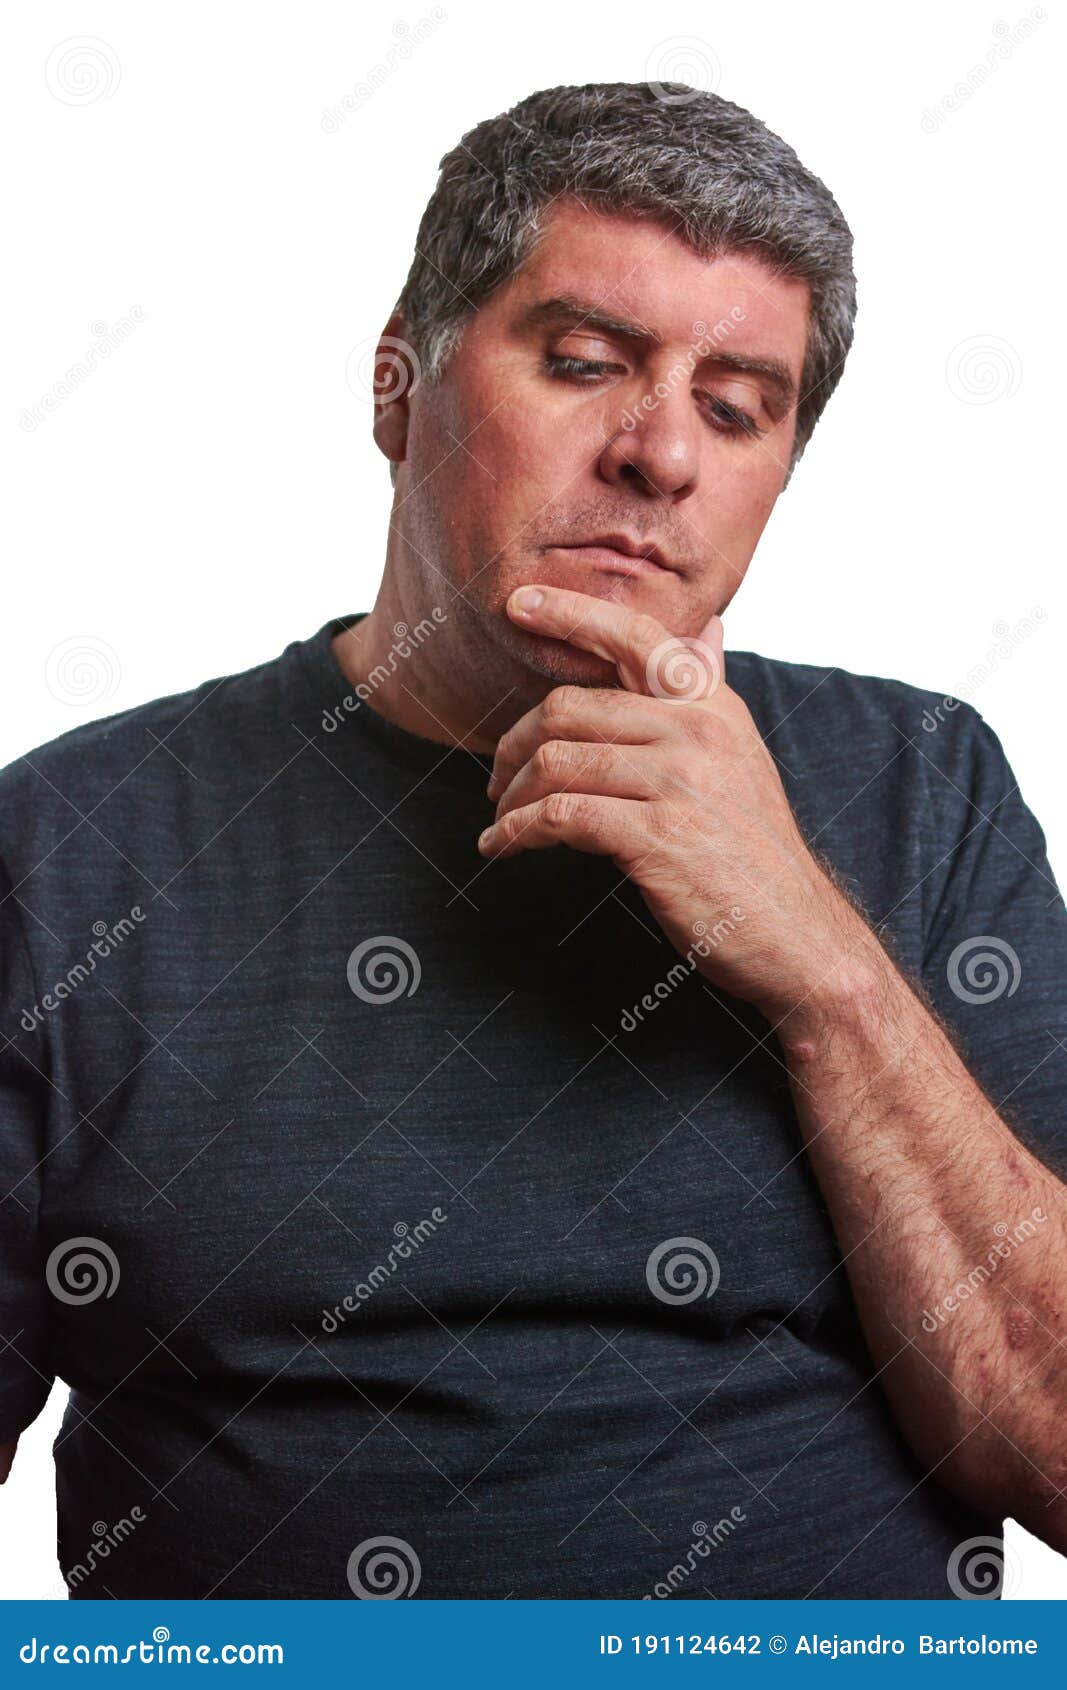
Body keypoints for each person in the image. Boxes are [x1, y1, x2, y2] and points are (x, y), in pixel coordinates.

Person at [2, 81, 1065, 1602]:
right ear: (397, 390)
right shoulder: (72, 848)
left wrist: (826, 968)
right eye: (584, 364)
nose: (661, 454)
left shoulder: (922, 785)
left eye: (735, 406)